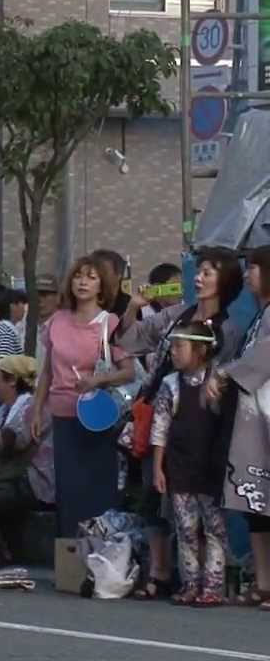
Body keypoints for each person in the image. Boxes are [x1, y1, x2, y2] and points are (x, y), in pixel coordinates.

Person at [118, 245, 243, 600]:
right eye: (199, 271)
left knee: (207, 512)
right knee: (155, 494)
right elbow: (131, 340)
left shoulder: (229, 330)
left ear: (226, 280)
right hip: (160, 409)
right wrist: (133, 306)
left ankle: (209, 581)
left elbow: (229, 377)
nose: (199, 278)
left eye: (209, 272)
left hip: (203, 423)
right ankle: (165, 572)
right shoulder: (176, 314)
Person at [28, 257, 136, 539]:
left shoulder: (109, 323)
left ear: (102, 285)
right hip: (62, 415)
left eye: (91, 277)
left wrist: (98, 380)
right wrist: (37, 410)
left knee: (97, 488)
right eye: (78, 276)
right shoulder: (57, 321)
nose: (83, 282)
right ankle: (70, 558)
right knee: (68, 488)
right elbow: (48, 371)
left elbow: (128, 372)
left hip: (97, 417)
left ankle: (103, 553)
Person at [205, 246, 270, 610]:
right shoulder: (260, 315)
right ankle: (263, 583)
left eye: (255, 268)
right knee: (257, 505)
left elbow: (266, 355)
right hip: (254, 417)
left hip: (265, 416)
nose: (249, 275)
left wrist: (227, 374)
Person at [150, 321, 231, 607]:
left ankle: (213, 586)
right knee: (185, 528)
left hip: (211, 468)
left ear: (200, 350)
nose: (173, 352)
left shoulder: (218, 380)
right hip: (180, 466)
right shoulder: (170, 384)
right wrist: (158, 467)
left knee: (214, 529)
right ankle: (190, 583)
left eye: (179, 346)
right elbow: (160, 427)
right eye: (172, 346)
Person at [0, 355, 52, 569]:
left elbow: (14, 443)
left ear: (12, 381)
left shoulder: (31, 408)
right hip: (10, 476)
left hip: (32, 481)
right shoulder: (5, 409)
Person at [90, 249, 132, 318]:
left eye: (103, 272)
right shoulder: (80, 302)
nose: (95, 275)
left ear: (119, 274)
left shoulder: (131, 306)